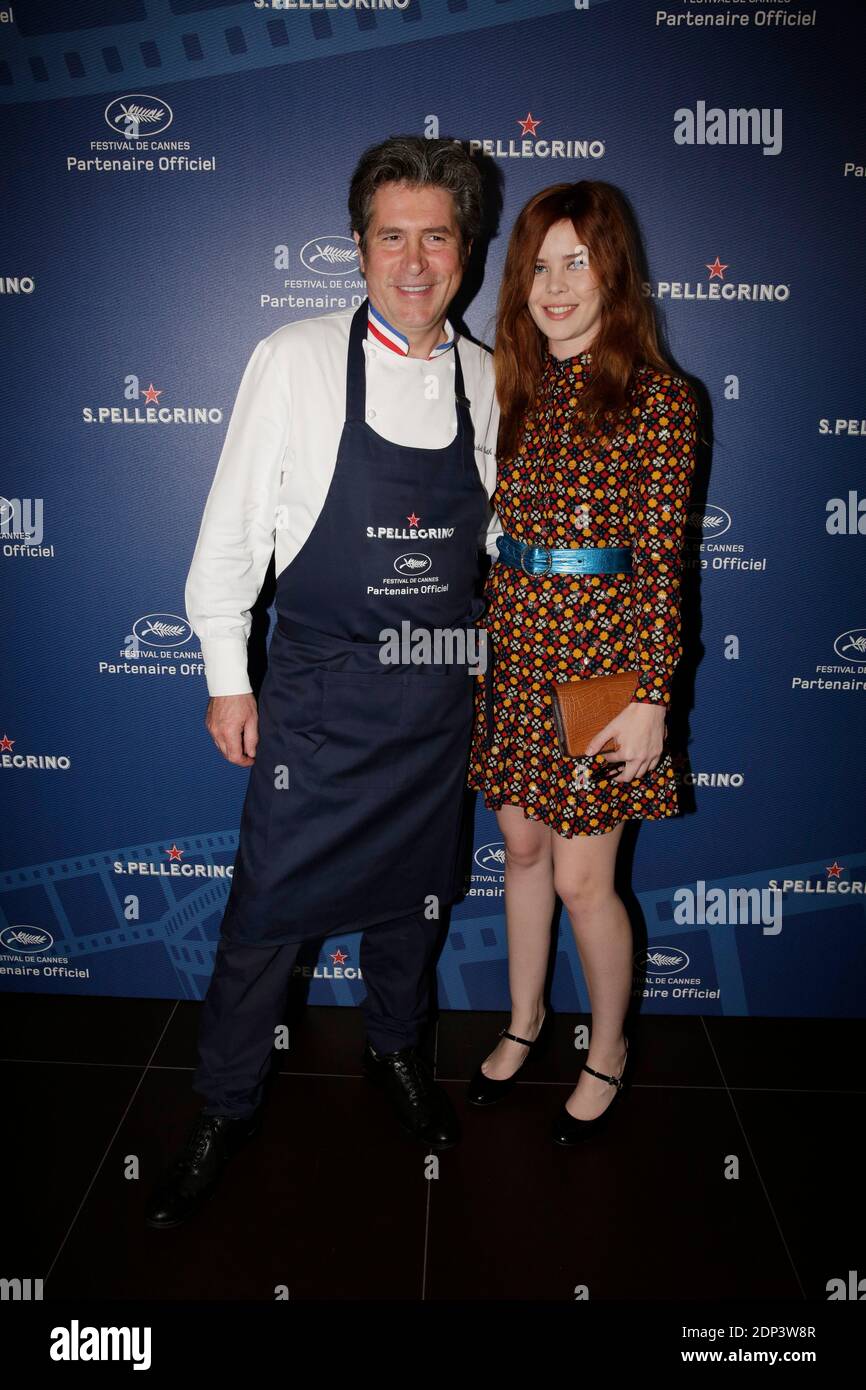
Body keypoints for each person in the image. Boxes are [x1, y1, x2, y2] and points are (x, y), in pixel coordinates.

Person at [145, 136, 500, 1228]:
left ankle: (395, 1053)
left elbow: (502, 540)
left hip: (440, 688)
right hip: (320, 684)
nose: (411, 258)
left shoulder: (490, 377)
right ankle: (225, 1100)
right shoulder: (292, 356)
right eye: (389, 235)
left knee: (415, 904)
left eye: (433, 235)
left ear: (464, 249)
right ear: (357, 247)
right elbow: (236, 526)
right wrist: (222, 668)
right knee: (263, 922)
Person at [465, 181, 700, 1145]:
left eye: (578, 262)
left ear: (615, 271)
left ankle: (607, 1048)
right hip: (516, 652)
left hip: (601, 671)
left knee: (581, 883)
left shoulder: (660, 399)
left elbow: (663, 562)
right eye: (539, 267)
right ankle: (525, 1024)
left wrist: (652, 695)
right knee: (520, 852)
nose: (555, 287)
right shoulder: (509, 384)